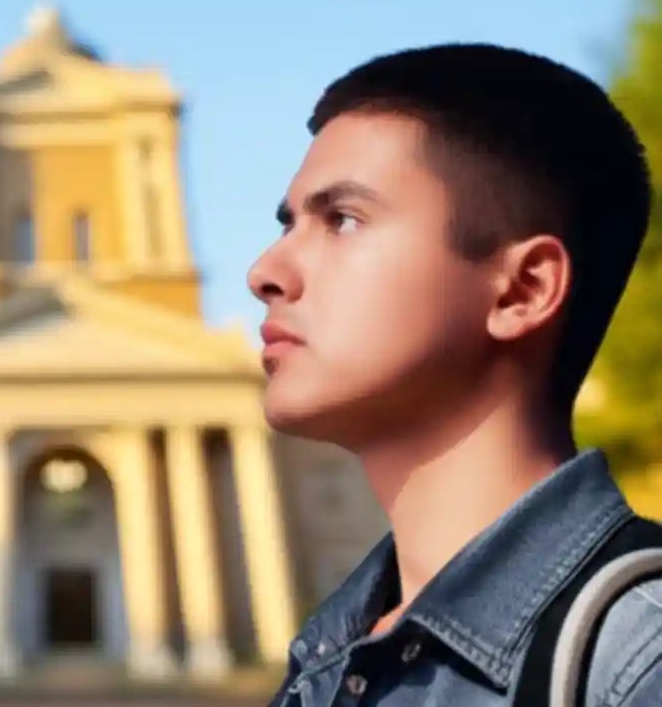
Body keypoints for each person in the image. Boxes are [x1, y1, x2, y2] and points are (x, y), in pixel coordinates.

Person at [251, 43, 661, 706]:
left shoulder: (639, 661)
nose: (264, 271)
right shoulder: (324, 668)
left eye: (343, 220)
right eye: (289, 224)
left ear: (523, 290)